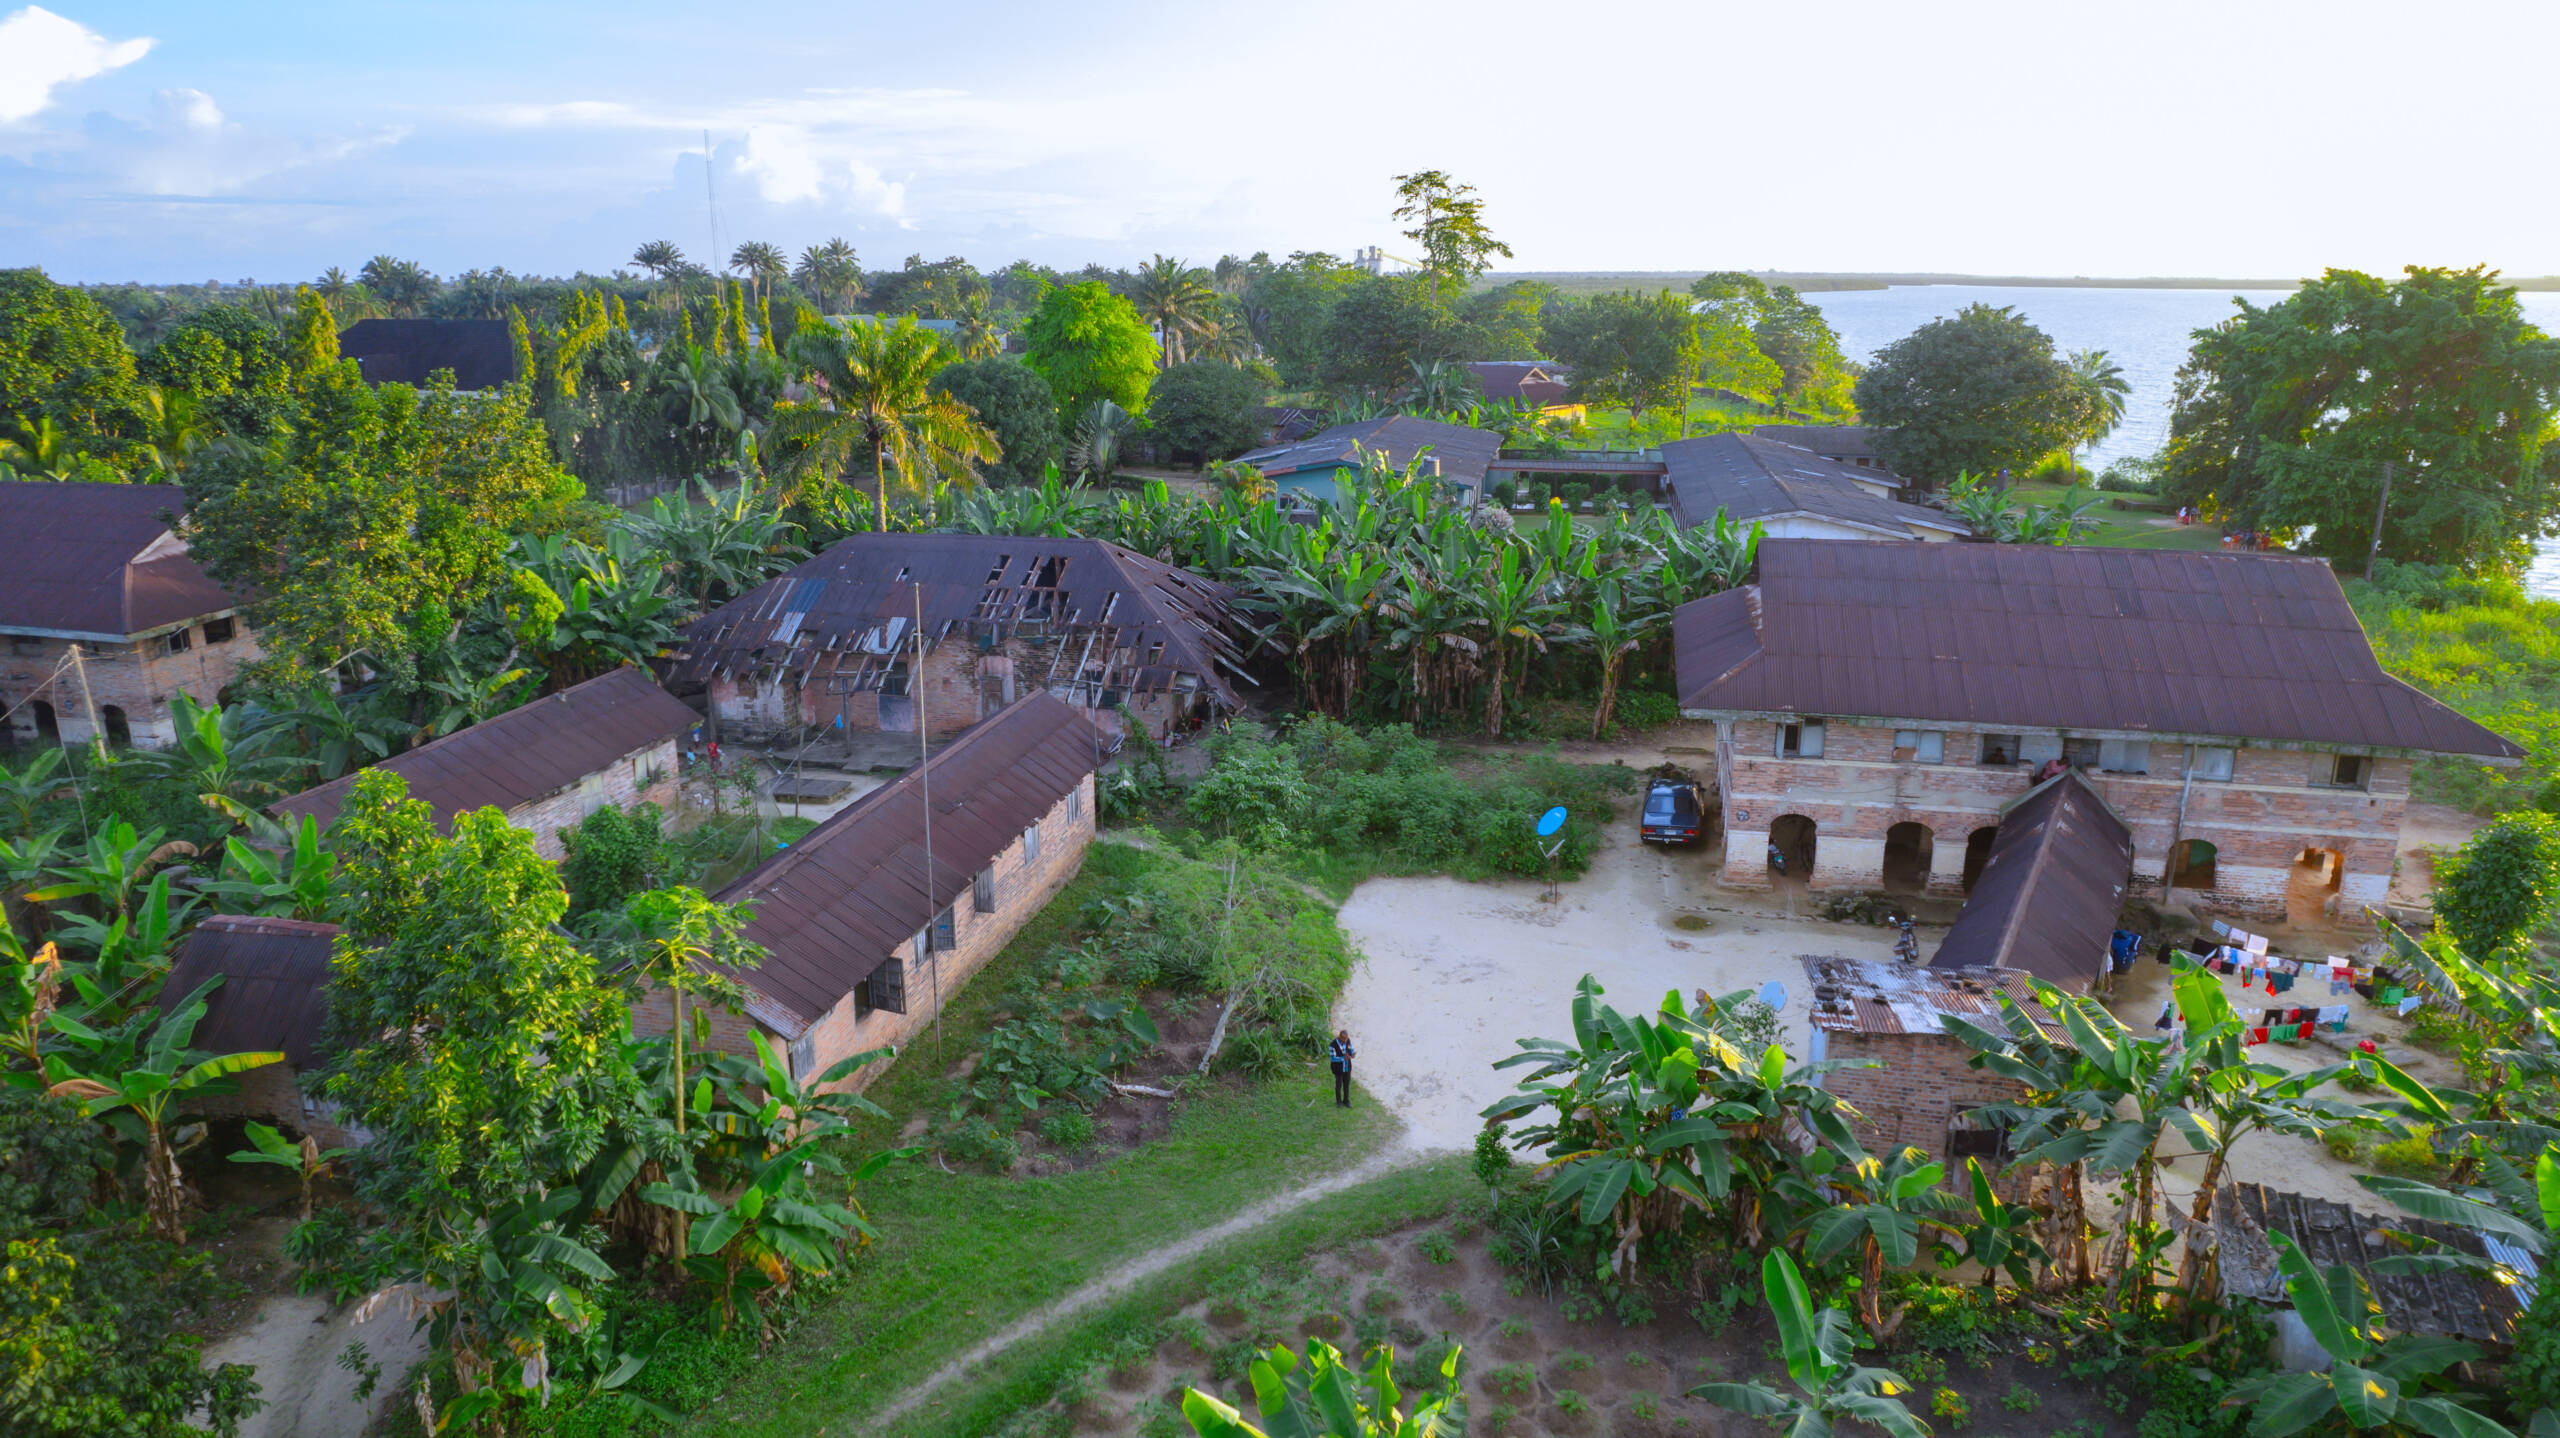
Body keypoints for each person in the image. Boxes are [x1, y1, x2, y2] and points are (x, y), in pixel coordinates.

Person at [1328, 1029, 1356, 1108]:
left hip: (1347, 1067)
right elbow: (1333, 1058)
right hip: (1338, 1069)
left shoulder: (1348, 1041)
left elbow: (1351, 1049)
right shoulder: (1332, 1045)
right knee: (1338, 1085)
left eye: (1346, 1039)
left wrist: (1353, 1053)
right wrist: (1343, 1058)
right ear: (1339, 1037)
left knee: (1347, 1084)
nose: (1345, 1041)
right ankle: (1338, 1101)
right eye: (1343, 1040)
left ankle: (1346, 1100)